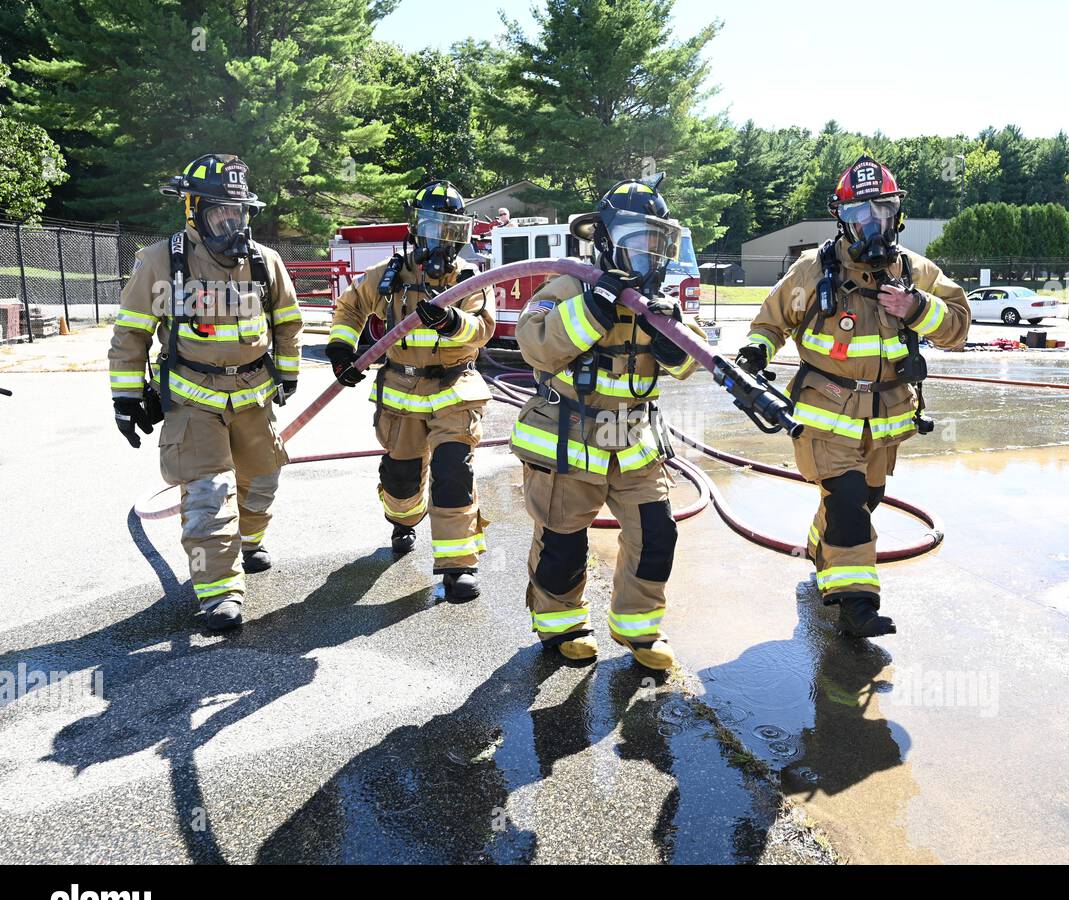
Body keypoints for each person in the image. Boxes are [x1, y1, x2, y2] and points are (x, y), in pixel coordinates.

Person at [737, 155, 970, 638]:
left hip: (886, 417)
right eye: (861, 213)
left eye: (881, 210)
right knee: (846, 500)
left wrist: (918, 307)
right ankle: (856, 605)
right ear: (842, 217)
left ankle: (821, 546)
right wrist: (756, 353)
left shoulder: (914, 271)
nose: (872, 223)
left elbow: (957, 329)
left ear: (896, 213)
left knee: (866, 499)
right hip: (825, 411)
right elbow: (769, 321)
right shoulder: (812, 270)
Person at [510, 177, 701, 670]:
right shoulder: (570, 285)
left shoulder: (659, 301)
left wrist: (670, 338)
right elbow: (535, 344)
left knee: (656, 534)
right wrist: (595, 306)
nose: (649, 255)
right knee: (563, 542)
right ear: (609, 239)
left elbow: (689, 361)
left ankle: (638, 630)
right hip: (568, 441)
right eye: (639, 241)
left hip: (633, 440)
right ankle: (562, 626)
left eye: (658, 243)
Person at [109, 153, 303, 631]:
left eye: (237, 212)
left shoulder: (264, 261)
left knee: (262, 482)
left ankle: (248, 542)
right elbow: (131, 333)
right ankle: (218, 591)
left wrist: (288, 373)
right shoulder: (160, 262)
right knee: (209, 495)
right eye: (219, 211)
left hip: (253, 397)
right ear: (193, 210)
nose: (230, 221)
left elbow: (288, 321)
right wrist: (127, 396)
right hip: (192, 400)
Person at [326, 180, 495, 602]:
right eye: (433, 227)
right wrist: (341, 348)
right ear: (415, 227)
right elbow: (350, 307)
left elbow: (481, 329)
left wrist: (451, 322)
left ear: (464, 234)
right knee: (401, 485)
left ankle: (459, 566)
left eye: (451, 229)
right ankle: (404, 520)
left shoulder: (472, 278)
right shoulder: (388, 275)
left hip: (455, 388)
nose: (440, 239)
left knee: (454, 471)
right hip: (400, 392)